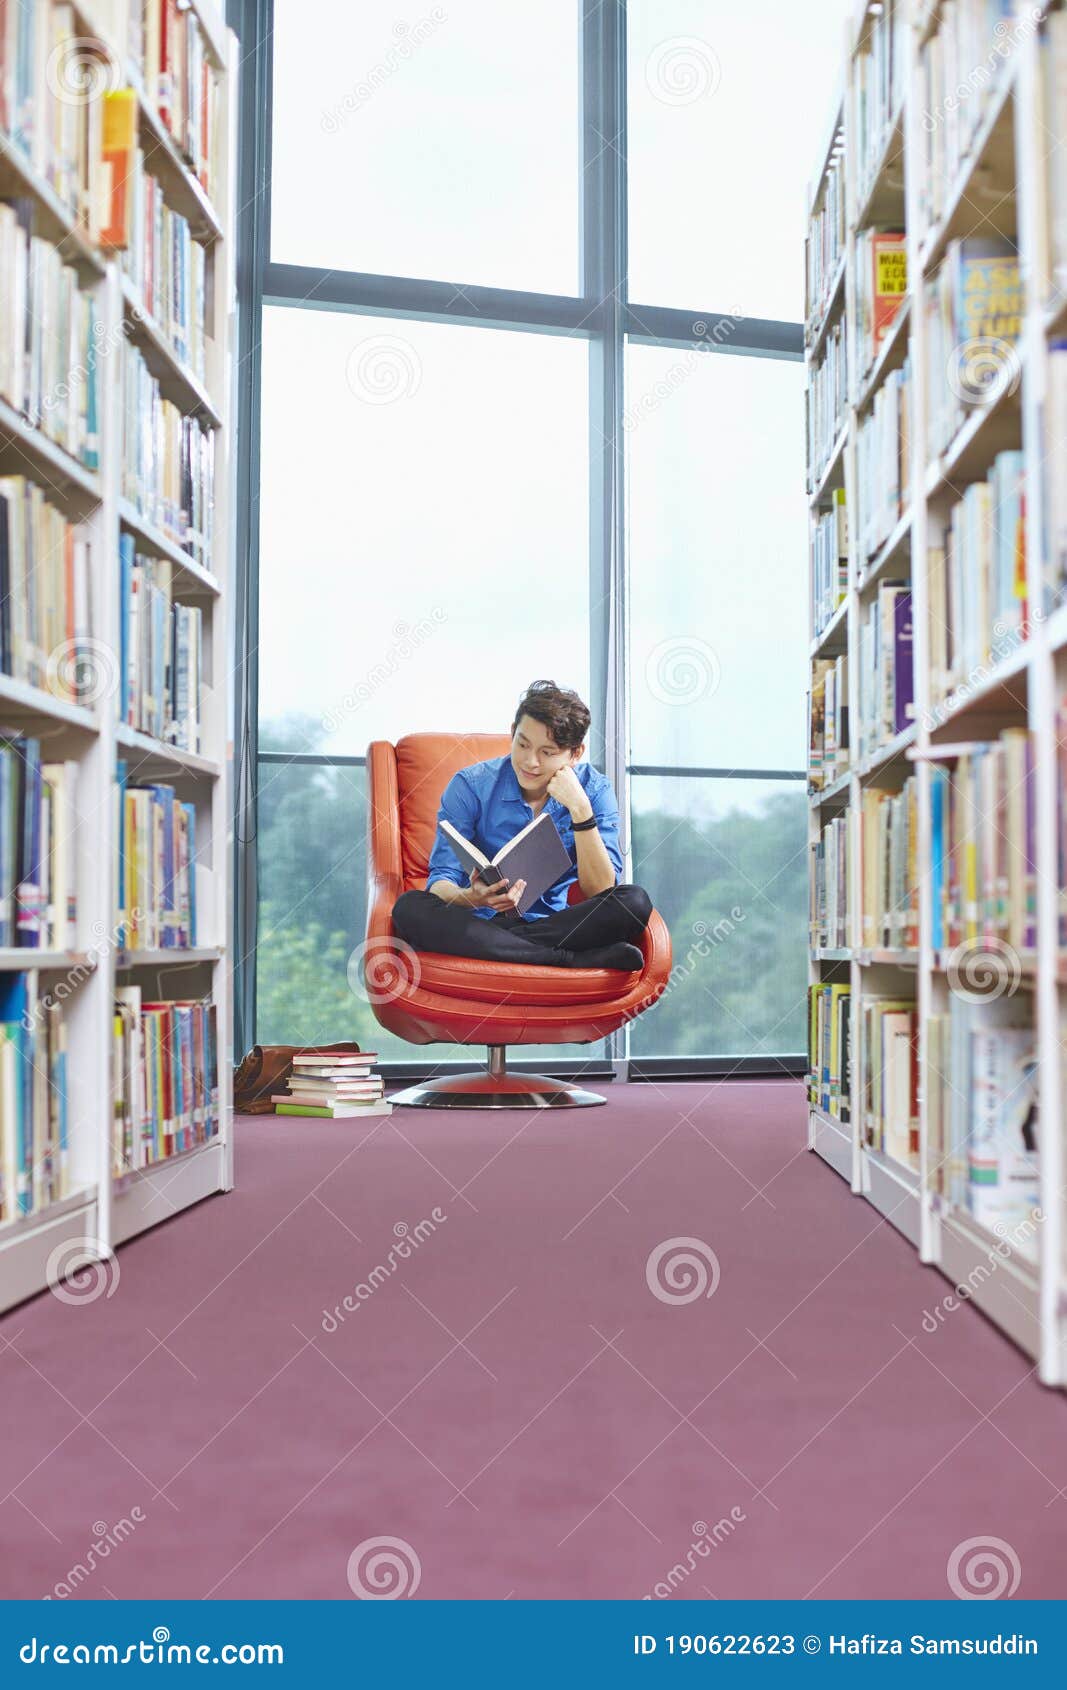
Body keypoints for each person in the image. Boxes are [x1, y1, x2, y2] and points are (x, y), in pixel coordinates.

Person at [390, 679, 653, 971]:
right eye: (523, 744)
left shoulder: (594, 791)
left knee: (634, 902)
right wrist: (473, 898)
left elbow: (601, 890)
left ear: (575, 754)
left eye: (547, 752)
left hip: (551, 924)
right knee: (410, 907)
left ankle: (505, 946)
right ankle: (565, 959)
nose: (530, 762)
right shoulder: (470, 786)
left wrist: (580, 810)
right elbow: (440, 882)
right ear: (513, 732)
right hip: (478, 920)